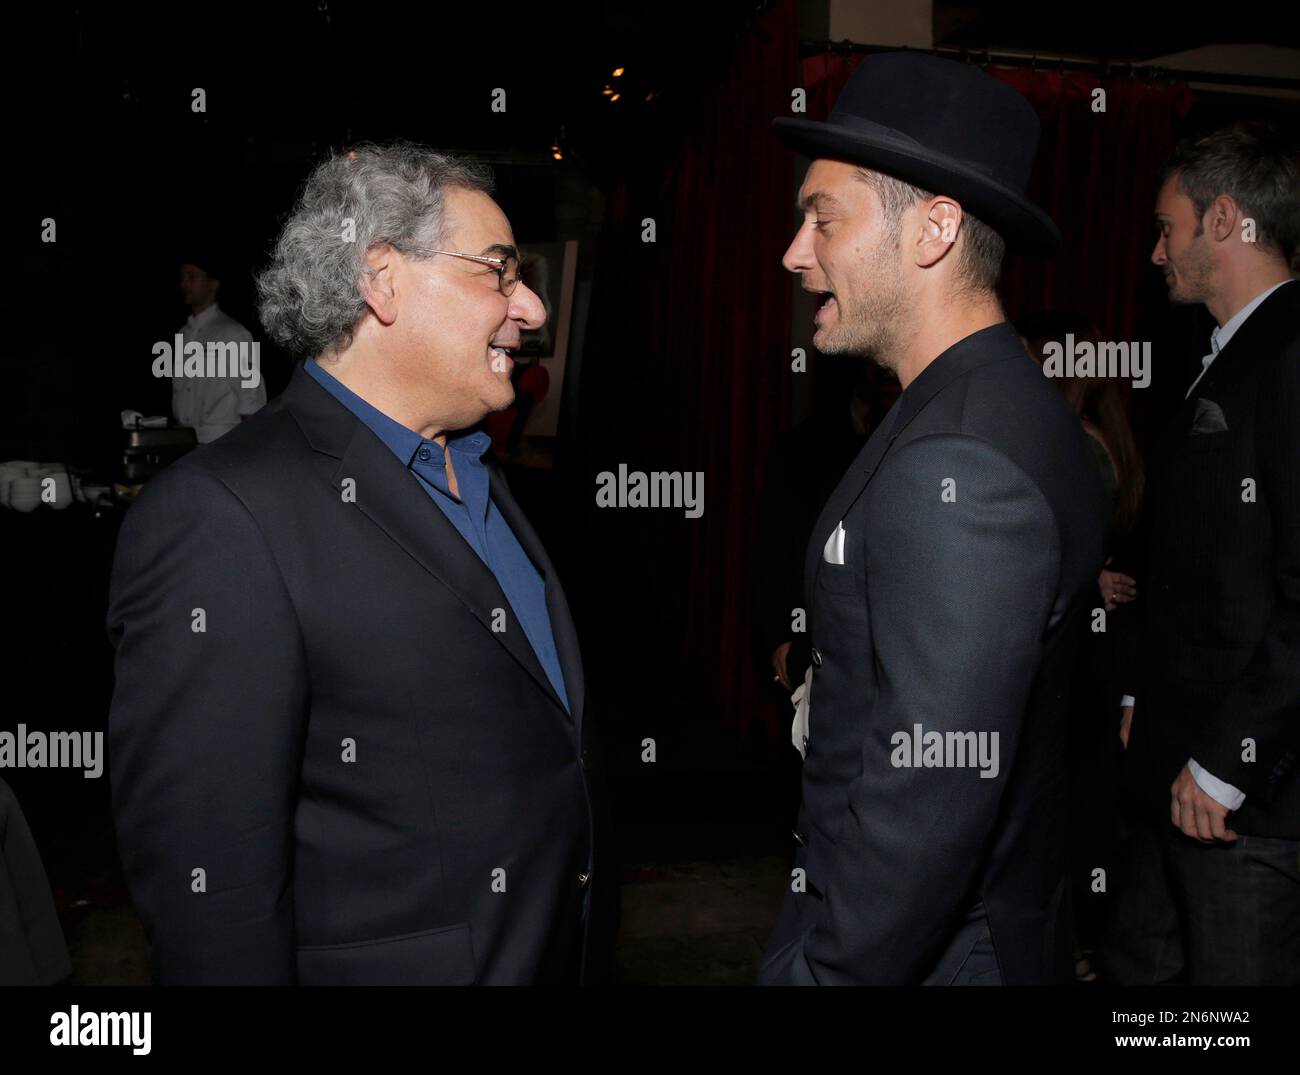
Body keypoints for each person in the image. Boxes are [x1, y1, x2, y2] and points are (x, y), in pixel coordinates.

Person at [108, 143, 598, 984]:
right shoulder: (221, 518)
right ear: (382, 279)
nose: (530, 305)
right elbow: (213, 899)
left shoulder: (480, 471)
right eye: (498, 270)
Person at [757, 51, 1106, 986]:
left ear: (934, 230)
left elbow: (928, 797)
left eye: (821, 217)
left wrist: (823, 975)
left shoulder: (964, 456)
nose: (796, 251)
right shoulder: (990, 401)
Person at [1106, 122, 1299, 985]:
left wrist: (1229, 762)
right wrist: (1145, 691)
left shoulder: (1293, 349)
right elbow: (1201, 564)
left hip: (1241, 796)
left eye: (1167, 226)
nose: (1156, 252)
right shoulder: (1223, 355)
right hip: (1172, 767)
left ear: (1223, 220)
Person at [173, 252, 266, 442]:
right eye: (182, 277)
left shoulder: (231, 333)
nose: (184, 284)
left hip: (221, 442)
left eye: (191, 276)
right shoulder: (183, 334)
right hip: (184, 442)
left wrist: (250, 446)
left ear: (212, 283)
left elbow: (251, 398)